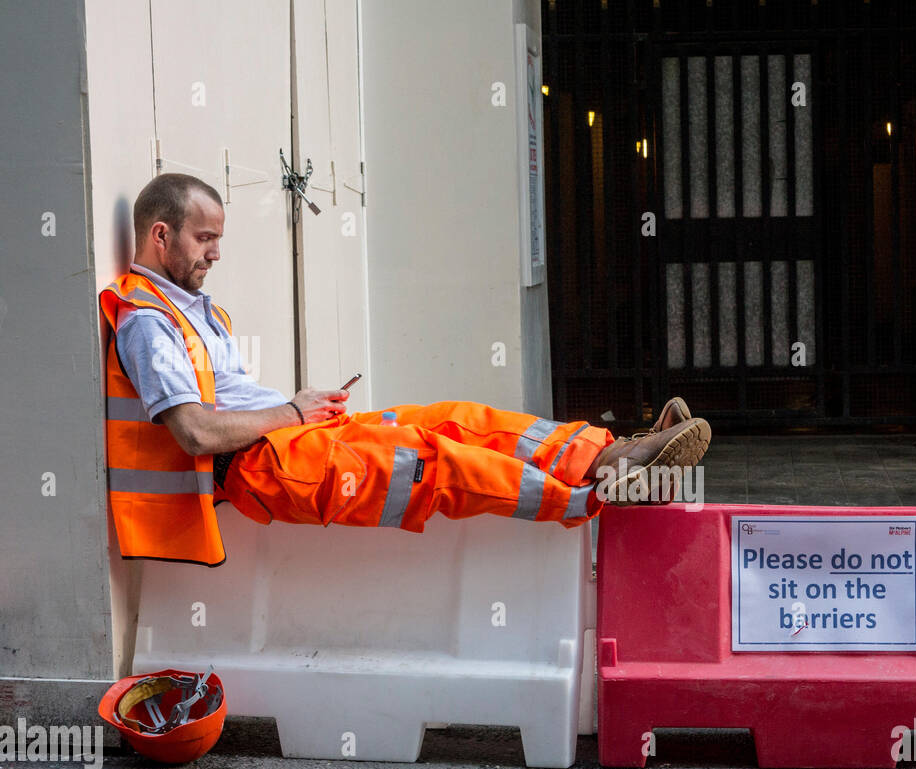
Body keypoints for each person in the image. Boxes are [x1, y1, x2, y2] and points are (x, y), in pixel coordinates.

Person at [101, 174, 711, 566]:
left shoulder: (188, 310)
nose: (216, 252)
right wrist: (293, 412)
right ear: (161, 235)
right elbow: (196, 434)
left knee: (455, 420)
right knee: (430, 459)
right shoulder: (148, 322)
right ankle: (591, 493)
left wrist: (300, 409)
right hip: (262, 469)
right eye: (205, 239)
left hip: (289, 440)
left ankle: (607, 457)